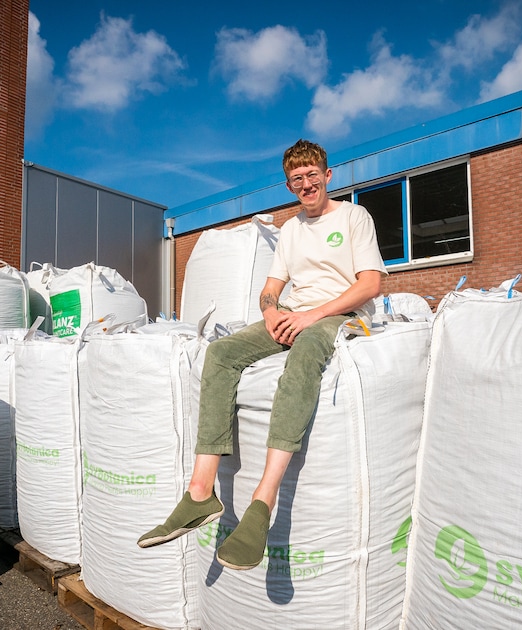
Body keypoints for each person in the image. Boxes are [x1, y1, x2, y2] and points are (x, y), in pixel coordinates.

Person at [138, 139, 386, 570]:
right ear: (289, 186)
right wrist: (271, 313)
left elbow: (370, 284)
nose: (306, 184)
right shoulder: (290, 231)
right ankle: (200, 492)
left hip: (341, 313)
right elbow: (270, 289)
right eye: (297, 179)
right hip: (293, 312)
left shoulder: (353, 217)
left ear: (328, 175)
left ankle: (262, 501)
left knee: (305, 351)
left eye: (312, 175)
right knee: (221, 353)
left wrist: (312, 316)